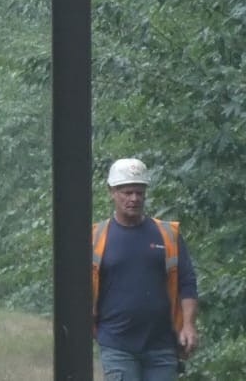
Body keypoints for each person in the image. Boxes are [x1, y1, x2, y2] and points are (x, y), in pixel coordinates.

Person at [92, 158, 200, 380]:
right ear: (112, 191)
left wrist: (188, 326)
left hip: (162, 345)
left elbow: (187, 282)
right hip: (117, 345)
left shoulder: (168, 235)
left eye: (139, 193)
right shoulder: (95, 237)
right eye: (127, 192)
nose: (134, 198)